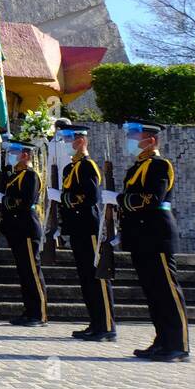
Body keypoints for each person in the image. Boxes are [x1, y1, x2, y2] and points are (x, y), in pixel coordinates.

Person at [115, 119, 189, 362]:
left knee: (167, 291)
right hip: (140, 237)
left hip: (157, 235)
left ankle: (179, 345)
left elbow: (151, 198)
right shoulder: (135, 168)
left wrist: (119, 199)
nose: (131, 141)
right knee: (153, 293)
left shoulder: (160, 165)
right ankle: (162, 341)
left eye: (135, 136)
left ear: (152, 140)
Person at [58, 125, 115, 342]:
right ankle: (95, 322)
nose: (66, 144)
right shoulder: (69, 168)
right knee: (85, 279)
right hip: (76, 228)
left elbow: (90, 196)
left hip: (89, 228)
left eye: (69, 140)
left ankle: (107, 326)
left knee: (97, 277)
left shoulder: (87, 166)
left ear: (81, 141)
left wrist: (66, 199)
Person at [0, 138, 47, 327]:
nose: (11, 155)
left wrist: (6, 201)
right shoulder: (14, 175)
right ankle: (29, 310)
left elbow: (26, 200)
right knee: (24, 273)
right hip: (16, 229)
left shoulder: (30, 176)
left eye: (14, 152)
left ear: (25, 155)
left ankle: (39, 314)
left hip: (26, 227)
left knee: (32, 271)